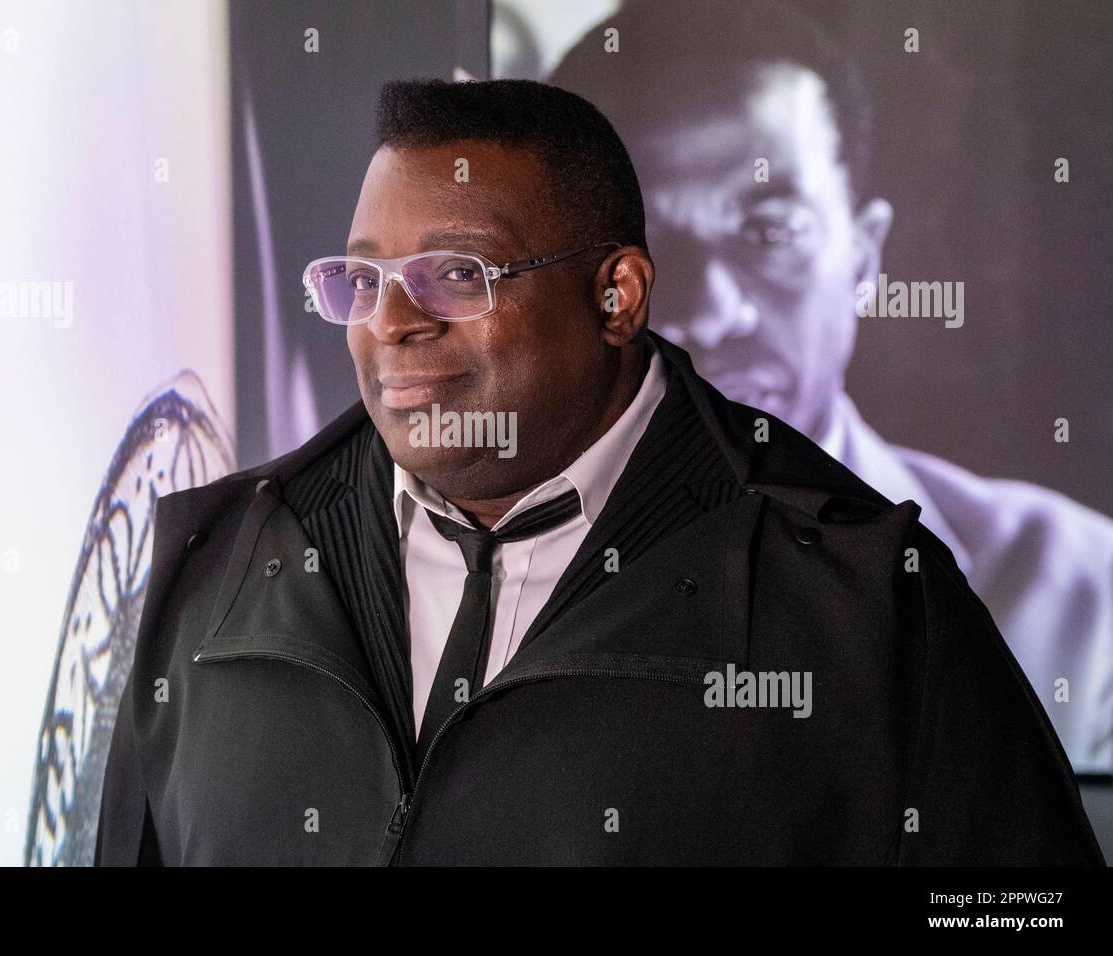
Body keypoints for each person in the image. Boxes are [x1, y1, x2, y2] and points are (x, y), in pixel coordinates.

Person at [94, 77, 1103, 865]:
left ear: (616, 294)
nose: (392, 323)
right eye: (363, 278)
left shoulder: (867, 600)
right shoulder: (214, 560)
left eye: (456, 274)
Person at [549, 0, 1113, 775]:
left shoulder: (1081, 600)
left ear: (864, 258)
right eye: (641, 245)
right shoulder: (460, 586)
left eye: (770, 231)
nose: (708, 313)